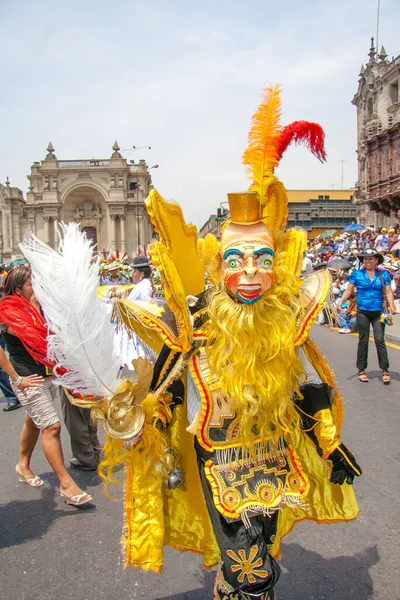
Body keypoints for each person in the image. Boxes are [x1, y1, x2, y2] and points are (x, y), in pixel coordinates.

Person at [0, 266, 92, 505]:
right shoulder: (9, 310)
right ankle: (66, 484)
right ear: (18, 289)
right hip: (27, 378)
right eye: (32, 284)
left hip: (49, 376)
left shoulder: (42, 309)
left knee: (34, 419)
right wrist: (16, 379)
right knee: (51, 426)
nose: (37, 288)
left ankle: (22, 465)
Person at [338, 248, 396, 384]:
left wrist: (392, 305)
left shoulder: (383, 275)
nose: (368, 261)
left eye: (371, 258)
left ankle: (385, 370)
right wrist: (341, 302)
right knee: (363, 340)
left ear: (376, 260)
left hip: (378, 312)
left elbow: (388, 292)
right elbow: (349, 290)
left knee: (380, 339)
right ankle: (361, 369)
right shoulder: (357, 274)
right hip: (362, 311)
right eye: (365, 259)